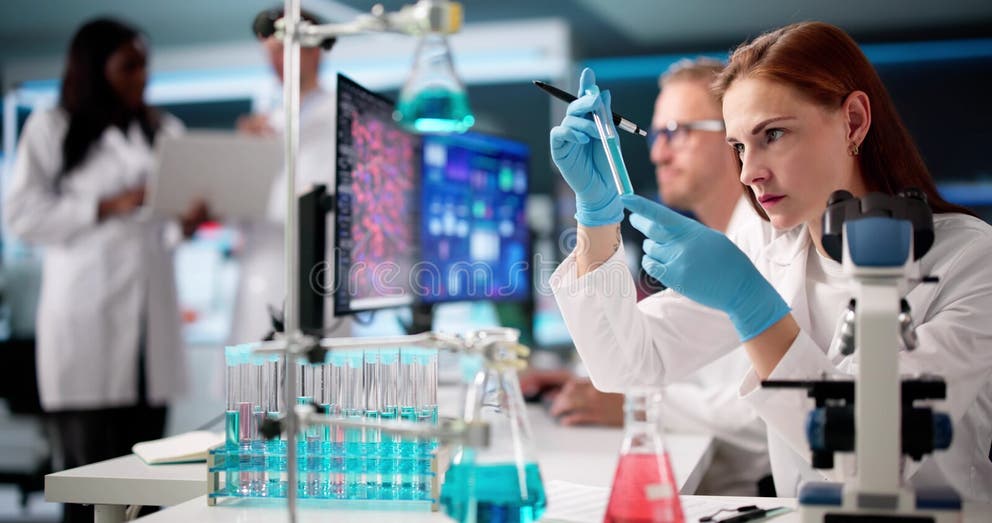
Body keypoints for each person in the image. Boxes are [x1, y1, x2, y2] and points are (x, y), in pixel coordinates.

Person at [548, 21, 992, 502]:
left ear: (854, 122)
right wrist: (595, 215)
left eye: (774, 134)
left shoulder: (970, 260)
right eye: (739, 146)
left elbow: (872, 453)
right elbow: (628, 365)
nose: (748, 172)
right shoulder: (772, 254)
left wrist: (752, 307)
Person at [525, 58, 772, 496]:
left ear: (734, 138)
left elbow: (766, 415)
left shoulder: (771, 245)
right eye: (656, 134)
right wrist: (595, 216)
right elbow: (632, 362)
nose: (657, 152)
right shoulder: (718, 247)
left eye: (676, 131)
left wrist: (629, 405)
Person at [3, 18, 205, 522]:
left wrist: (186, 221)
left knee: (149, 483)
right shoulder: (52, 129)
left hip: (148, 330)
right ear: (94, 70)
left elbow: (164, 232)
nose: (141, 76)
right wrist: (107, 204)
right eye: (127, 66)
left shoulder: (162, 131)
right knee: (91, 484)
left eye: (144, 65)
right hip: (85, 324)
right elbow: (21, 216)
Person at [229, 7, 349, 344]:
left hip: (317, 275)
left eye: (283, 49)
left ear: (312, 48)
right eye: (269, 52)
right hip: (262, 268)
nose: (275, 61)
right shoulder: (265, 123)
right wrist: (245, 157)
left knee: (315, 389)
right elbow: (240, 212)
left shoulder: (341, 113)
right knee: (259, 388)